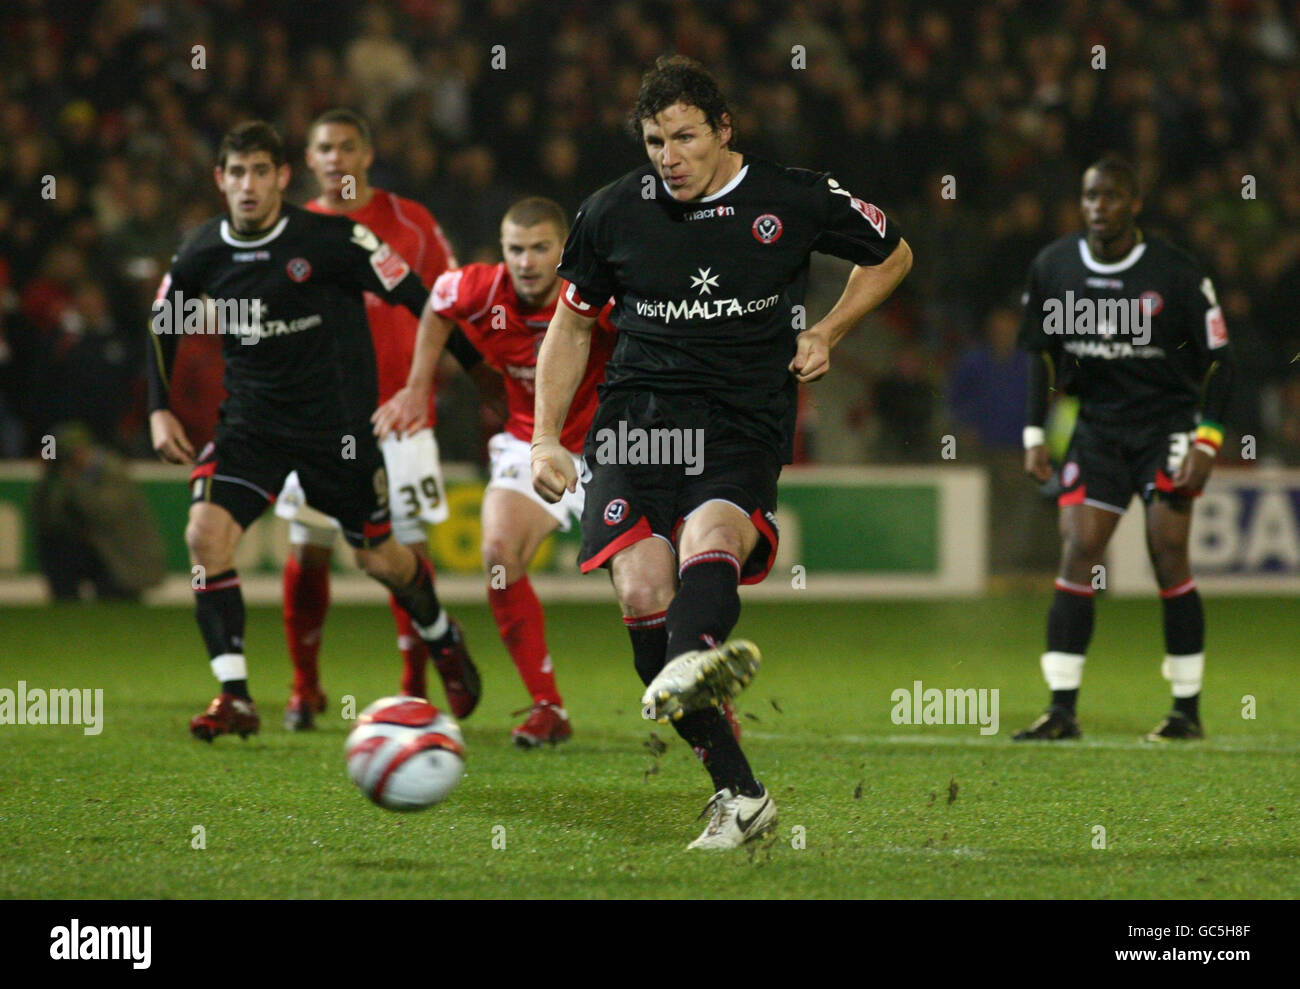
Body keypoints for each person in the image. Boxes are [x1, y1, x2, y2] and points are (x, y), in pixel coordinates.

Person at [529, 56, 912, 848]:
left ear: (724, 129)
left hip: (741, 415)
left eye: (686, 137)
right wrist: (543, 434)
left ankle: (694, 661)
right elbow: (570, 325)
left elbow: (893, 253)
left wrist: (827, 330)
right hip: (636, 418)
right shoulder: (609, 212)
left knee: (711, 538)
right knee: (641, 593)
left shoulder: (792, 196)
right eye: (654, 141)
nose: (669, 157)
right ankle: (738, 788)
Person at [147, 120, 482, 742]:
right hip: (251, 429)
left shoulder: (333, 239)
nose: (248, 185)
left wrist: (469, 378)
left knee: (378, 557)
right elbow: (164, 321)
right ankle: (236, 697)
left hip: (339, 433)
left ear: (281, 177)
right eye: (236, 173)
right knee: (205, 535)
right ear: (220, 180)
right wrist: (158, 407)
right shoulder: (202, 251)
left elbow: (420, 298)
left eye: (260, 172)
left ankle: (441, 635)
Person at [375, 197, 616, 747]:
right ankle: (547, 706)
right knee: (498, 554)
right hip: (532, 443)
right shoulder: (482, 288)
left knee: (645, 583)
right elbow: (436, 302)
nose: (527, 262)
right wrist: (417, 386)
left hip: (612, 449)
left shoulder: (602, 291)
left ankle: (708, 703)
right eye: (515, 249)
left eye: (539, 249)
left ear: (564, 250)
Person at [1014, 155, 1234, 743]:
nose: (1098, 207)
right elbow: (1041, 354)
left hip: (1166, 428)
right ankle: (1061, 710)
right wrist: (1036, 433)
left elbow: (1221, 361)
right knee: (1078, 550)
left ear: (1134, 203)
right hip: (1098, 430)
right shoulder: (1054, 266)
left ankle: (1185, 711)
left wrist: (1208, 441)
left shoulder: (1175, 272)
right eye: (1089, 197)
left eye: (1110, 196)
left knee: (1168, 553)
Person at [274, 108, 471, 731]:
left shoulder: (411, 223)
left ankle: (413, 685)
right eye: (323, 148)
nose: (335, 159)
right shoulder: (291, 230)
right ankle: (305, 687)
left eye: (347, 147)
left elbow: (449, 307)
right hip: (319, 420)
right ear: (309, 161)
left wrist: (427, 386)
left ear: (366, 154)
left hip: (402, 416)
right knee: (309, 548)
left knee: (400, 552)